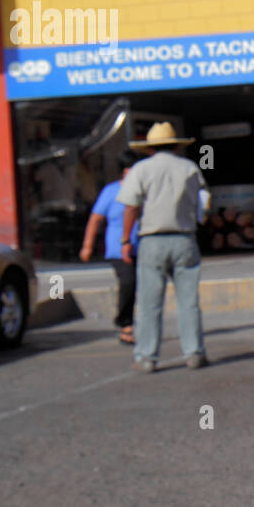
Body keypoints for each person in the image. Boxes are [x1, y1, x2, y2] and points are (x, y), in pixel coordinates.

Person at [117, 122, 209, 372]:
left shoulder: (140, 169)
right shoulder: (190, 168)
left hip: (152, 240)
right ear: (177, 146)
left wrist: (126, 239)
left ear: (150, 149)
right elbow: (201, 203)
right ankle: (194, 352)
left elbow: (131, 207)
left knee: (150, 302)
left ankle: (147, 357)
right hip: (184, 238)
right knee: (188, 301)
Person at [79, 149, 141, 345]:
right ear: (124, 171)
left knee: (141, 286)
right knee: (128, 283)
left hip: (143, 246)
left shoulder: (145, 189)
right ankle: (125, 322)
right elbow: (95, 219)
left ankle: (134, 322)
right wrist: (87, 246)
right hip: (118, 248)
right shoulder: (111, 191)